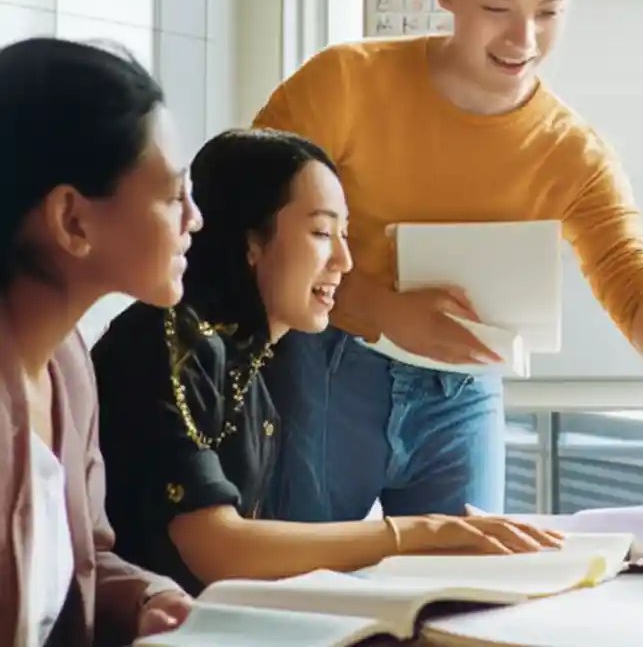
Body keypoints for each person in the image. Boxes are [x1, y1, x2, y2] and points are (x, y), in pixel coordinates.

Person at [252, 0, 643, 523]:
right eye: (495, 8)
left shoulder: (573, 153)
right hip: (325, 363)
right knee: (308, 581)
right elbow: (246, 220)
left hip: (466, 388)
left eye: (549, 12)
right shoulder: (343, 84)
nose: (523, 38)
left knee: (472, 584)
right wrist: (383, 311)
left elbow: (634, 276)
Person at [92, 129, 562, 596]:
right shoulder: (170, 340)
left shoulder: (251, 366)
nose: (345, 260)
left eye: (344, 234)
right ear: (251, 240)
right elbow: (217, 548)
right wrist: (418, 534)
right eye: (320, 232)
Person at [0, 37, 195, 646]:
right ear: (72, 221)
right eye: (172, 194)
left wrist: (145, 598)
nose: (195, 218)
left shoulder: (67, 364)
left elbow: (77, 559)